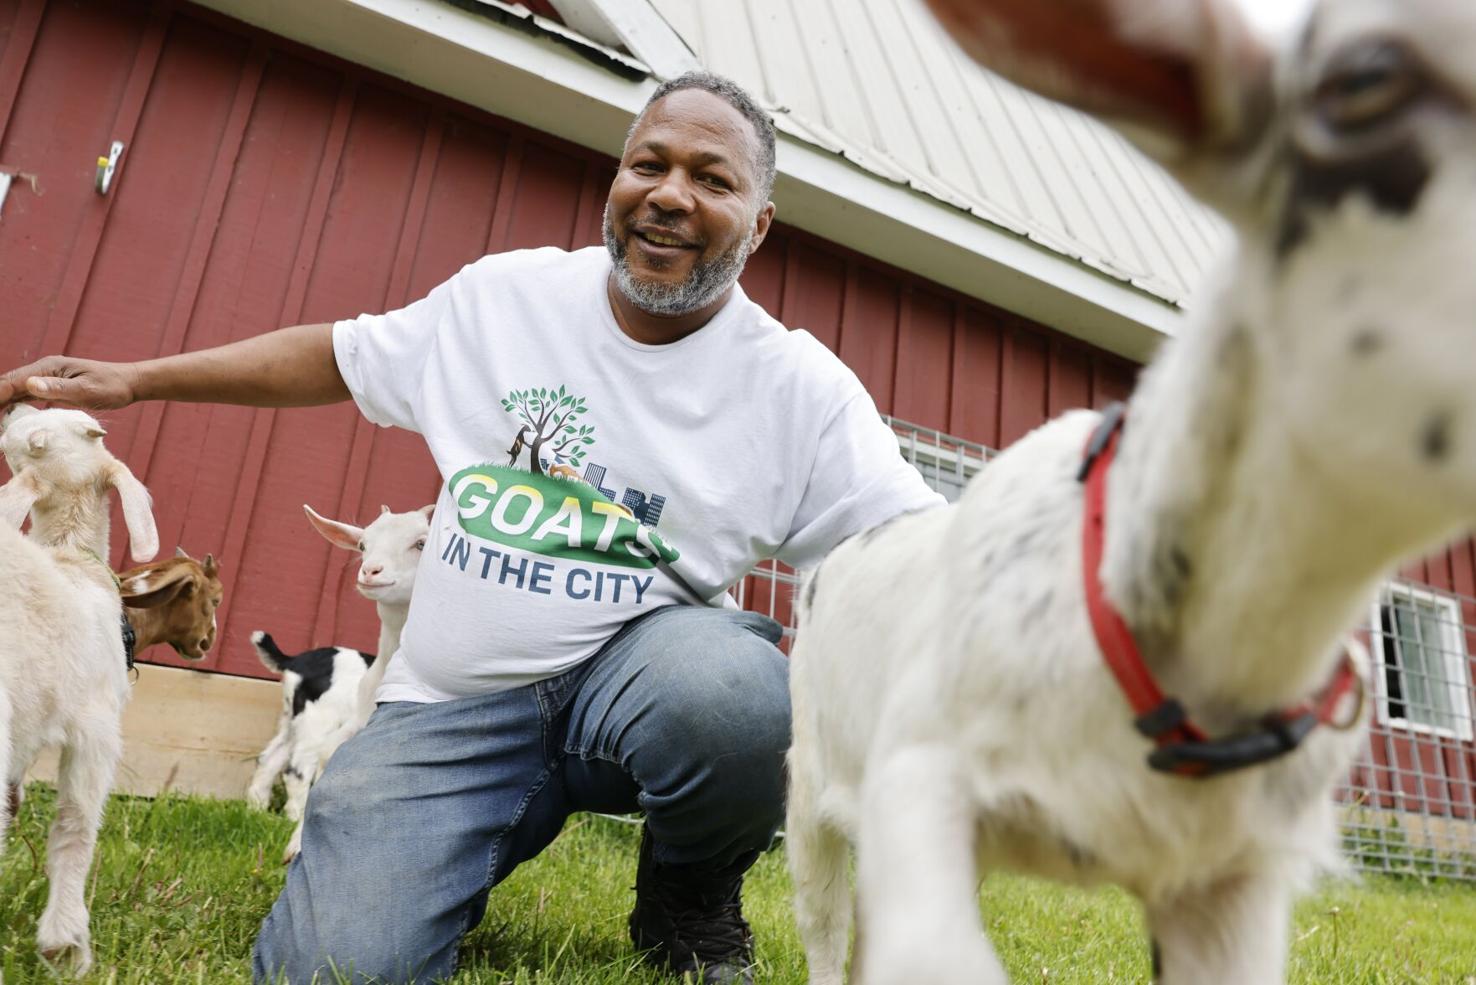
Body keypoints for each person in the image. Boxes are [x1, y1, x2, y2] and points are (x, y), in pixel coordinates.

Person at [0, 72, 943, 984]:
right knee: (334, 967)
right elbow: (335, 355)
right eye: (647, 164)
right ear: (615, 181)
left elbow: (922, 555)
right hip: (447, 705)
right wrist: (139, 377)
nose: (669, 195)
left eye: (712, 178)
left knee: (736, 696)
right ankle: (445, 849)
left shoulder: (796, 390)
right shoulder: (509, 298)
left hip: (639, 689)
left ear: (760, 222)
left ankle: (686, 892)